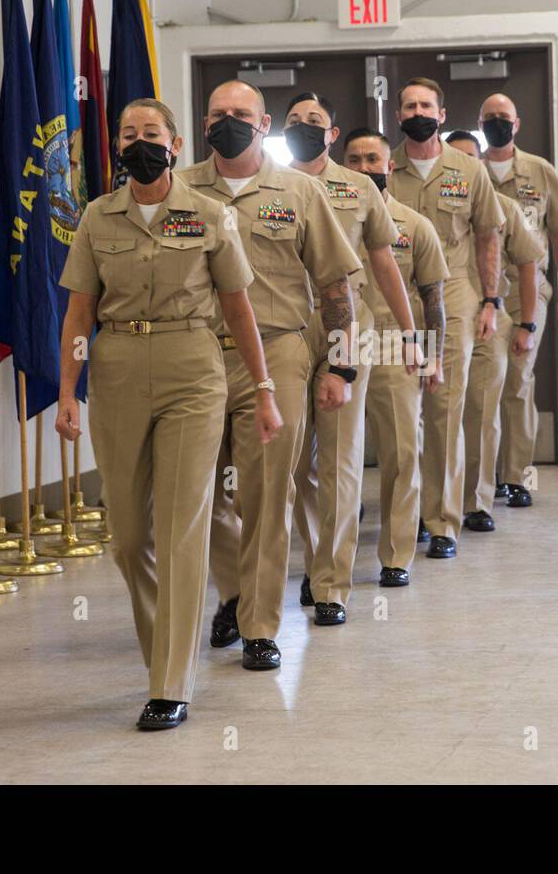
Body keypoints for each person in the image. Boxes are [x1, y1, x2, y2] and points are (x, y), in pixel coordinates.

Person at [56, 98, 281, 731]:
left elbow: (238, 309)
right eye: (127, 134)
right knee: (130, 540)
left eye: (150, 133)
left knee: (185, 525)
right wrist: (67, 390)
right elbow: (78, 313)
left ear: (175, 145)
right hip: (119, 365)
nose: (138, 142)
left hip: (192, 367)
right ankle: (164, 651)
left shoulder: (209, 215)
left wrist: (262, 388)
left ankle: (169, 683)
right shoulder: (97, 218)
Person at [177, 80, 361, 671]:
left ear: (264, 126)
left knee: (266, 489)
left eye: (242, 114)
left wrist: (340, 364)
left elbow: (334, 284)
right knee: (198, 489)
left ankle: (259, 623)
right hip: (198, 350)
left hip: (279, 348)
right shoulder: (177, 188)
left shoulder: (301, 191)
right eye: (217, 114)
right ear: (204, 125)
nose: (228, 121)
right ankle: (233, 589)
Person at [283, 93, 423, 624]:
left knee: (340, 456)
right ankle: (315, 558)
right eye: (294, 120)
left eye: (314, 120)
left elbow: (386, 265)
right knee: (297, 462)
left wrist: (409, 334)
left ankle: (332, 584)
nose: (304, 126)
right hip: (287, 329)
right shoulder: (270, 187)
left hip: (349, 327)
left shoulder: (359, 187)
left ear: (332, 133)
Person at [387, 77, 503, 559]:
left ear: (441, 112)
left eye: (426, 105)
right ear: (398, 115)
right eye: (409, 105)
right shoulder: (384, 168)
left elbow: (488, 236)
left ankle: (443, 522)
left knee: (444, 411)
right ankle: (406, 513)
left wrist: (491, 301)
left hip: (453, 297)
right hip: (393, 299)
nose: (418, 111)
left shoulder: (468, 169)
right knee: (397, 416)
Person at [342, 127, 449, 585]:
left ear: (390, 166)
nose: (365, 168)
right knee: (335, 461)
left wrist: (434, 355)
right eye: (355, 160)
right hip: (339, 342)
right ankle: (330, 563)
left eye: (373, 160)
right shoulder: (324, 218)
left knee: (403, 453)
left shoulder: (415, 225)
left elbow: (433, 298)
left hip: (394, 344)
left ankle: (396, 556)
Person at [478, 93, 558, 507]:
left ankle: (518, 477)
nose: (497, 123)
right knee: (485, 386)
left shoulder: (538, 171)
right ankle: (483, 478)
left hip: (528, 291)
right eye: (489, 117)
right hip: (482, 292)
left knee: (518, 382)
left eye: (504, 117)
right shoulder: (469, 172)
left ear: (516, 123)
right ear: (479, 123)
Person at [443, 131, 542, 533]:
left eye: (471, 157)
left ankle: (477, 501)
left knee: (483, 410)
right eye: (457, 158)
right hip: (443, 318)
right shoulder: (433, 211)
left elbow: (529, 265)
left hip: (491, 317)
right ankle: (431, 504)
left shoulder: (504, 209)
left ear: (481, 164)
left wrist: (527, 324)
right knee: (437, 414)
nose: (465, 165)